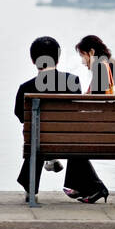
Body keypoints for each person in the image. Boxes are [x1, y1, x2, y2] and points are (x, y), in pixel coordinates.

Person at [63, 34, 115, 204]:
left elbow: (95, 107)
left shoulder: (101, 69)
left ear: (91, 52)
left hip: (109, 131)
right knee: (74, 138)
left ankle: (94, 187)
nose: (83, 62)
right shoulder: (114, 69)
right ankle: (84, 187)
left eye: (83, 56)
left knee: (73, 138)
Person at [14, 36, 81, 202]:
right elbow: (78, 113)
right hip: (69, 141)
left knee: (37, 136)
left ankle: (31, 185)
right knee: (48, 135)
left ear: (33, 60)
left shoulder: (26, 88)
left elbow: (20, 116)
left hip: (38, 141)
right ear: (58, 59)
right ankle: (53, 160)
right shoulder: (73, 81)